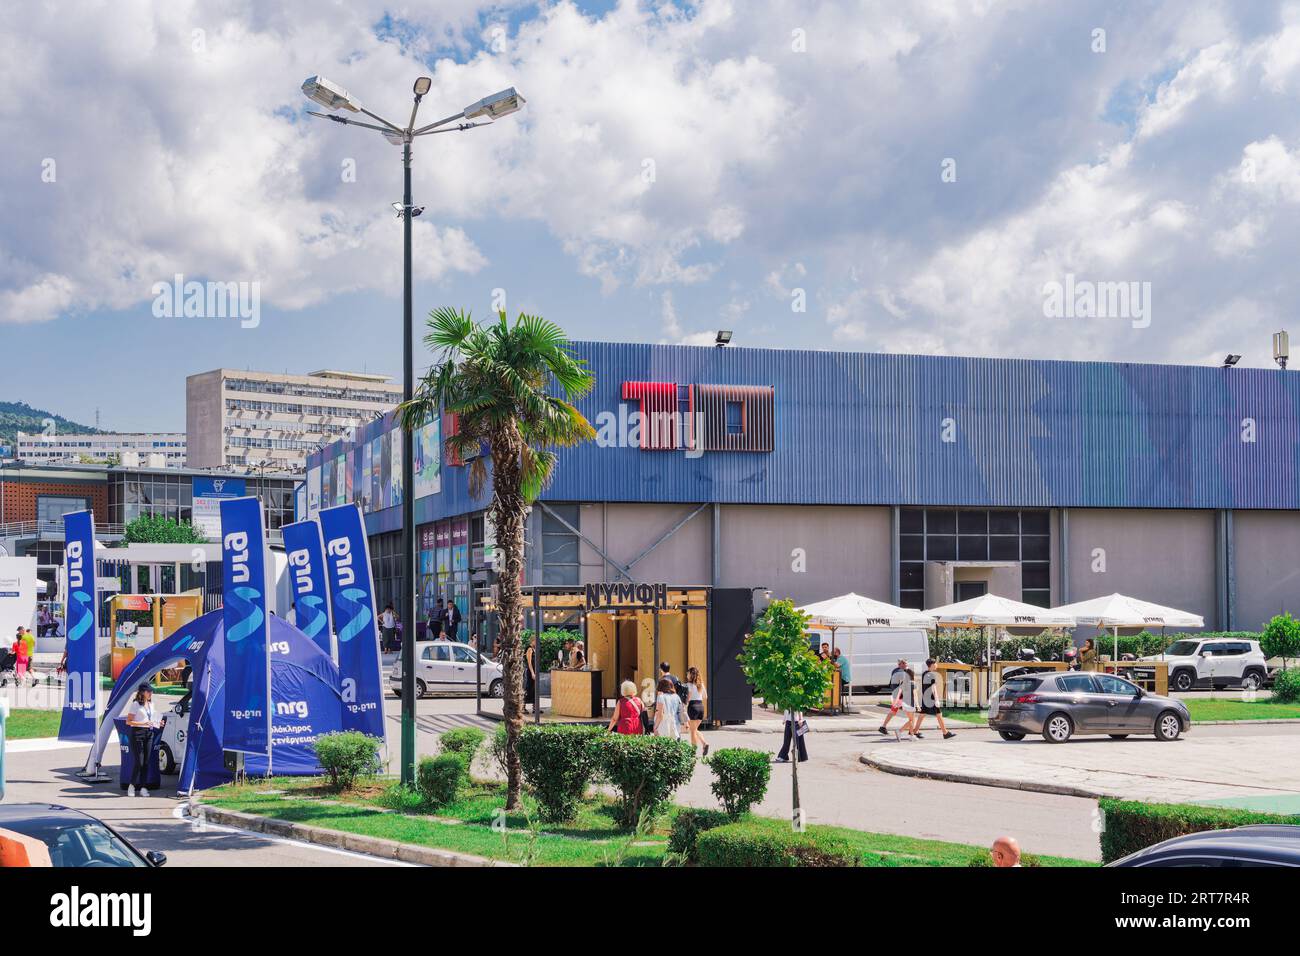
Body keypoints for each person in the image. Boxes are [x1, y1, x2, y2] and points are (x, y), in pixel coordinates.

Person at [124, 683, 163, 797]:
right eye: (148, 691)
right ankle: (132, 786)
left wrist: (158, 723)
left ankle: (143, 787)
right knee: (139, 762)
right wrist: (143, 723)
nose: (151, 693)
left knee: (146, 762)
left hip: (149, 733)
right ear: (142, 692)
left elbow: (152, 719)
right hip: (137, 733)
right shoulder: (135, 705)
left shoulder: (151, 704)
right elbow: (128, 721)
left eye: (151, 691)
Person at [913, 658, 956, 740]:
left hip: (925, 697)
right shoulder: (931, 675)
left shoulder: (924, 673)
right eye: (935, 663)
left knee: (922, 715)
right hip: (931, 698)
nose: (937, 665)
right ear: (932, 665)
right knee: (939, 715)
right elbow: (933, 688)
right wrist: (936, 700)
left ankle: (915, 731)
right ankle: (945, 733)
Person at [879, 659, 910, 735]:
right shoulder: (902, 673)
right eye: (905, 663)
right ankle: (913, 731)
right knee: (911, 714)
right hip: (900, 696)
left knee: (893, 711)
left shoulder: (895, 670)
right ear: (901, 664)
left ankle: (883, 727)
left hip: (896, 695)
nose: (907, 665)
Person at [684, 666, 709, 757]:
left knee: (692, 732)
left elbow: (688, 698)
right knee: (694, 729)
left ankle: (693, 752)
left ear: (691, 675)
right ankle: (704, 744)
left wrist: (684, 708)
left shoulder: (688, 685)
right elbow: (705, 697)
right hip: (701, 707)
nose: (687, 675)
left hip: (693, 707)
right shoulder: (700, 684)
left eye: (688, 673)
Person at [523, 641, 537, 714]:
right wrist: (532, 673)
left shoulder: (534, 649)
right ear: (533, 641)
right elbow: (529, 663)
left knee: (534, 689)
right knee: (528, 689)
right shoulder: (529, 649)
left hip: (534, 671)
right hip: (530, 672)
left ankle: (535, 708)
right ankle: (523, 707)